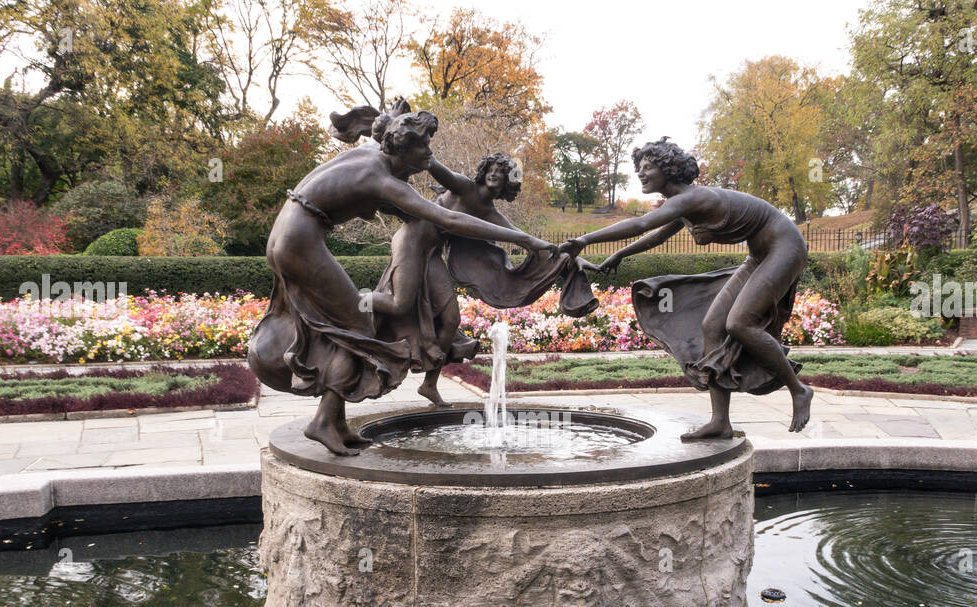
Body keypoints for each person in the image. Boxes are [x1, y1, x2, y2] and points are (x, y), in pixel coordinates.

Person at [248, 100, 555, 456]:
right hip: (300, 239)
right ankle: (323, 421)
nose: (429, 154)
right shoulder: (384, 180)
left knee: (352, 324)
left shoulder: (372, 155)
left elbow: (387, 129)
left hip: (286, 233)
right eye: (423, 146)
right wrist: (525, 239)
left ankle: (334, 419)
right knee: (361, 330)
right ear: (403, 148)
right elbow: (450, 220)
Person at [558, 138, 813, 437]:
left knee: (740, 324)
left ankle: (798, 390)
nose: (641, 173)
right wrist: (619, 255)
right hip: (759, 254)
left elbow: (642, 224)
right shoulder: (682, 206)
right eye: (639, 167)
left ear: (668, 169)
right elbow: (655, 236)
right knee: (712, 327)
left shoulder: (693, 198)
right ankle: (720, 422)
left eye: (648, 167)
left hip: (785, 247)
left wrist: (585, 240)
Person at [375, 152, 598, 406]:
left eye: (501, 172)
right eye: (491, 168)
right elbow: (436, 167)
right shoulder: (464, 187)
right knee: (399, 304)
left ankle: (429, 384)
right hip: (411, 241)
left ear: (508, 182)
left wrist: (571, 259)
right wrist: (420, 150)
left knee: (450, 319)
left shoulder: (489, 212)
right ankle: (361, 304)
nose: (494, 173)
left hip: (432, 253)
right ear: (483, 171)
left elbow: (528, 241)